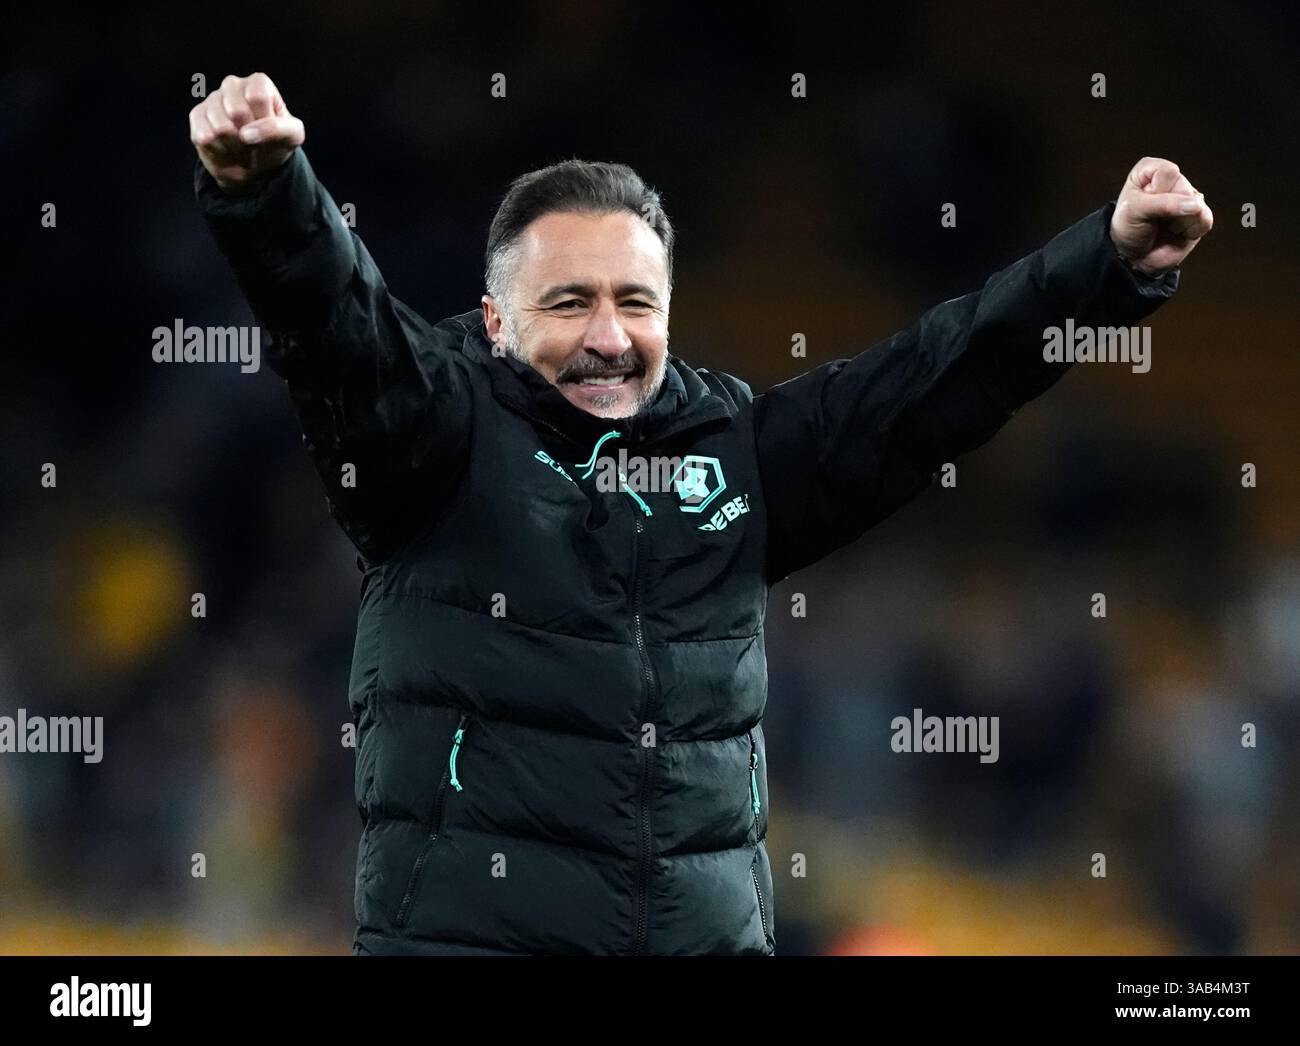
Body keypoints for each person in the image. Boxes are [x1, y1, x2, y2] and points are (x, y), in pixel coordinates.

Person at [190, 72, 1212, 955]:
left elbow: (928, 385)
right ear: (497, 321)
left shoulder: (732, 452)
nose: (608, 335)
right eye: (569, 302)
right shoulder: (431, 438)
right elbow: (341, 332)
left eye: (635, 302)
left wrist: (1105, 269)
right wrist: (270, 195)